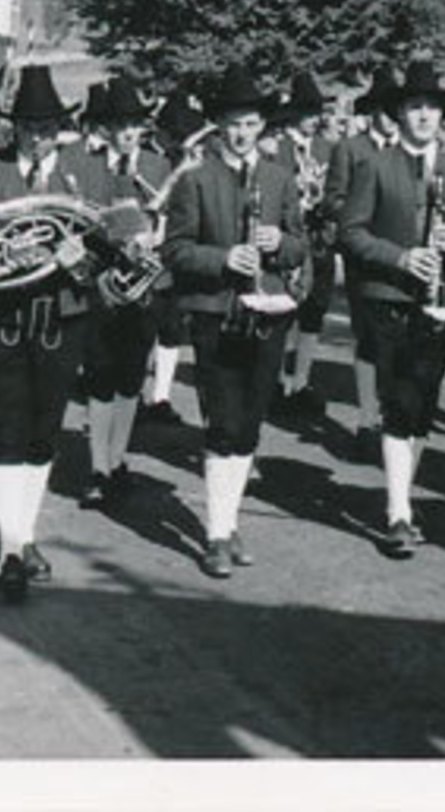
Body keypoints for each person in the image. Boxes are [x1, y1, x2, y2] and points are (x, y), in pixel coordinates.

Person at [0, 64, 117, 603]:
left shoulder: (84, 172)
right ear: (15, 127)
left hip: (61, 322)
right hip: (1, 321)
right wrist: (2, 256)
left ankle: (23, 537)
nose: (39, 136)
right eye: (29, 126)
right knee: (7, 433)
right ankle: (10, 553)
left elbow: (105, 251)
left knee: (44, 434)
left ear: (59, 129)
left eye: (48, 127)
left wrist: (81, 260)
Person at [163, 65, 308, 578]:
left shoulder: (279, 178)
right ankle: (216, 534)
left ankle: (227, 519)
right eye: (234, 123)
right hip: (215, 315)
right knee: (222, 423)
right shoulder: (195, 179)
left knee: (249, 425)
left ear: (262, 127)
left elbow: (300, 244)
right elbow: (175, 251)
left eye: (251, 124)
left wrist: (280, 245)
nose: (243, 133)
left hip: (268, 315)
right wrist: (223, 260)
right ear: (219, 125)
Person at [341, 60, 445, 558]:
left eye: (431, 108)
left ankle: (403, 496)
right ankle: (398, 512)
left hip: (443, 304)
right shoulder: (374, 166)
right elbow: (352, 233)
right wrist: (400, 257)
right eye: (414, 107)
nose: (424, 116)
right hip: (390, 300)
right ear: (399, 113)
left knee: (423, 401)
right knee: (398, 400)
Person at [77, 76, 169, 508]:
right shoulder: (86, 164)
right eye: (121, 123)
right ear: (105, 128)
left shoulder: (156, 166)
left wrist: (155, 239)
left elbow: (175, 219)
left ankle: (118, 460)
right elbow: (80, 223)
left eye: (135, 122)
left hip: (145, 289)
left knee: (131, 376)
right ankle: (97, 466)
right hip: (100, 284)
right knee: (99, 375)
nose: (130, 131)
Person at [326, 64, 402, 462]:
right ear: (372, 111)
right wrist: (364, 217)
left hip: (405, 259)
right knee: (369, 337)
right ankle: (367, 419)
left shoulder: (410, 151)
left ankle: (396, 419)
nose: (392, 118)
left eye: (397, 110)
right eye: (385, 110)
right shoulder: (351, 149)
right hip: (364, 256)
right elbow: (334, 200)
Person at [267, 71, 335, 422]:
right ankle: (278, 380)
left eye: (316, 112)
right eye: (308, 113)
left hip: (319, 238)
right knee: (284, 309)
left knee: (314, 312)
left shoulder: (326, 149)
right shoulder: (277, 149)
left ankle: (302, 381)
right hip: (289, 235)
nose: (314, 119)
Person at [139, 90, 209, 428]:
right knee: (138, 329)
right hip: (141, 252)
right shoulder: (142, 158)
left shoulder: (185, 160)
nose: (183, 144)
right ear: (162, 133)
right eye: (177, 138)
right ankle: (134, 393)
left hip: (172, 253)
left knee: (171, 326)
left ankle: (161, 396)